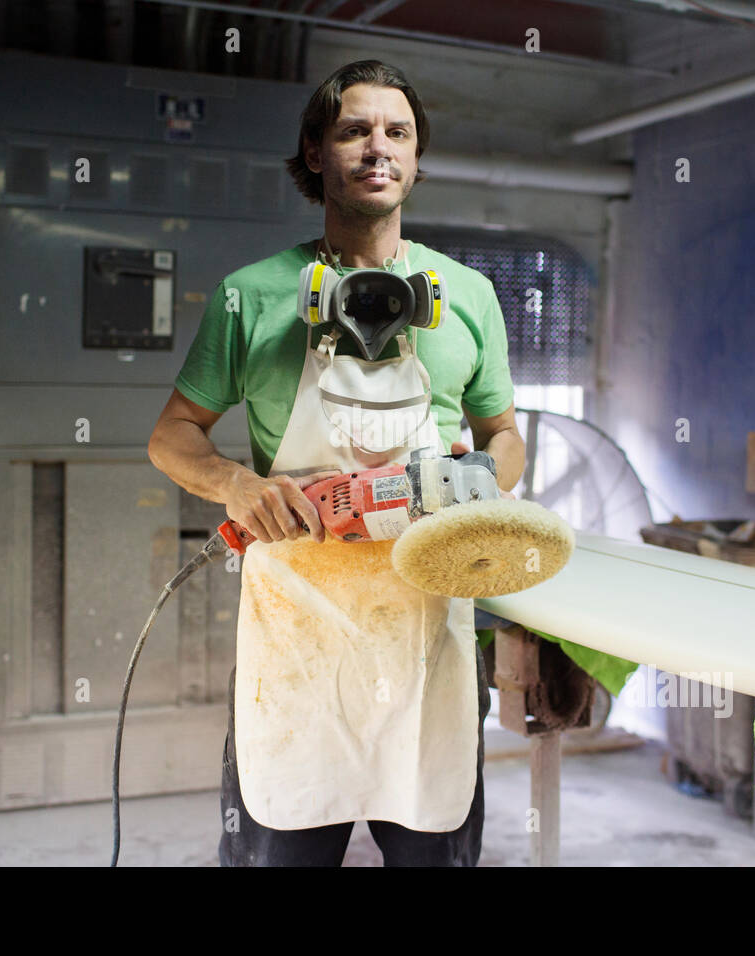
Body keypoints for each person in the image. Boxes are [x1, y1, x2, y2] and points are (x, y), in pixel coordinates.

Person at [147, 59, 524, 866]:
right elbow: (171, 433)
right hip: (297, 636)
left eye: (398, 133)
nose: (378, 148)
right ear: (316, 152)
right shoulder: (252, 295)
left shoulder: (468, 294)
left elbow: (505, 434)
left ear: (417, 159)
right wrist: (236, 484)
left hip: (427, 637)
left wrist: (485, 484)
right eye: (354, 130)